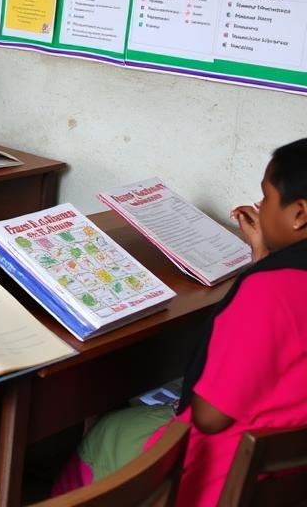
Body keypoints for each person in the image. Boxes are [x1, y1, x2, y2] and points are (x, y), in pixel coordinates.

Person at [52, 139, 307, 506]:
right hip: (288, 477)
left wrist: (260, 277)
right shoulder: (279, 282)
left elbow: (210, 417)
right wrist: (263, 259)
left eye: (266, 197)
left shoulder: (268, 292)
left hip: (222, 476)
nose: (260, 206)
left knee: (110, 430)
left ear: (299, 213)